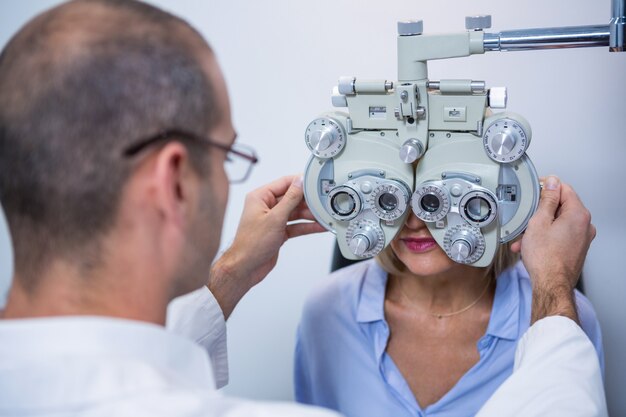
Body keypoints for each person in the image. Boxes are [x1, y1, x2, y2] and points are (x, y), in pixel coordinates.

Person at [0, 1, 607, 416]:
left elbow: (132, 376)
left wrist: (231, 273)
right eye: (227, 152)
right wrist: (553, 284)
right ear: (175, 181)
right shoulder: (327, 317)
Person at [294, 175, 604, 416]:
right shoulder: (327, 310)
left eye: (436, 194)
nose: (414, 220)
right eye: (393, 194)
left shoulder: (562, 318)